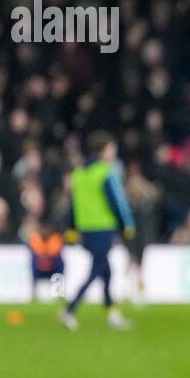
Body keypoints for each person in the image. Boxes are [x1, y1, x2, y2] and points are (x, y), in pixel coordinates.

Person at [58, 132, 135, 331]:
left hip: (85, 230)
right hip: (103, 228)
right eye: (111, 148)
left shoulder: (78, 173)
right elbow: (116, 201)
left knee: (106, 271)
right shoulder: (105, 172)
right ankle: (70, 309)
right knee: (96, 270)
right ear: (104, 150)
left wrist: (72, 228)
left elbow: (74, 205)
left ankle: (112, 313)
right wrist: (126, 225)